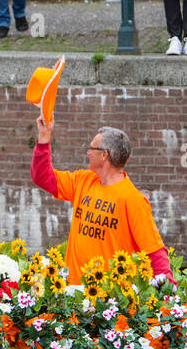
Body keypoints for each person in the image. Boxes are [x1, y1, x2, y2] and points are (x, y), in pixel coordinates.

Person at [30, 115, 173, 286]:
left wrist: (169, 299)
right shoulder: (83, 180)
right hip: (73, 297)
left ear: (104, 155)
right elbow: (43, 177)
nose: (88, 152)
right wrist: (44, 137)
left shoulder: (133, 199)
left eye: (92, 148)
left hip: (108, 304)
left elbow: (155, 253)